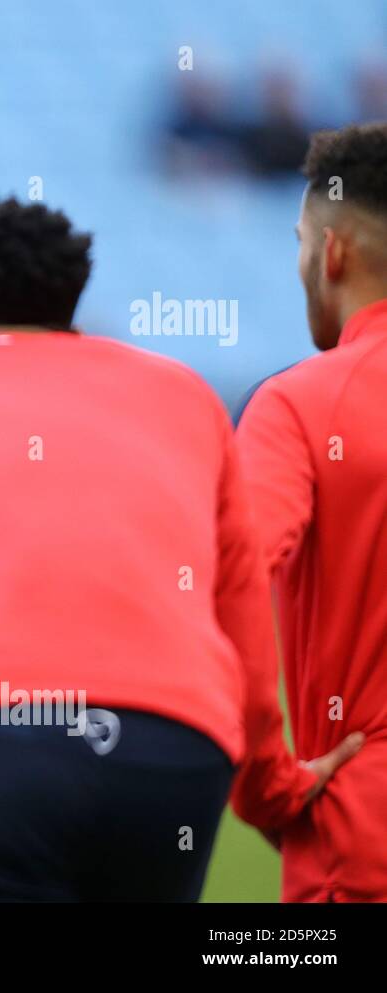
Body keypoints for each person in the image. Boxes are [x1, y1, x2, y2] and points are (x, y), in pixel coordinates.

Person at [0, 197, 359, 902]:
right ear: (72, 318)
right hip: (174, 753)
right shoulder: (182, 395)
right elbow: (238, 625)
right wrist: (271, 791)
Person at [235, 123, 387, 902]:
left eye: (300, 240)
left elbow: (225, 599)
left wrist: (264, 787)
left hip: (361, 843)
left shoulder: (299, 404)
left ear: (331, 254)